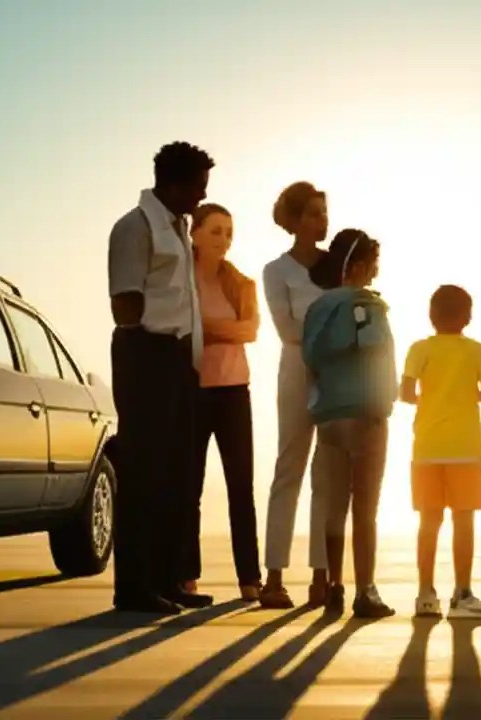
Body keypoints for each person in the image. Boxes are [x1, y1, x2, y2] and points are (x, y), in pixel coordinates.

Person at [106, 141, 216, 614]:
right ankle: (134, 587)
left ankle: (168, 580)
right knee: (143, 472)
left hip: (177, 359)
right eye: (198, 187)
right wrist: (151, 347)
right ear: (173, 184)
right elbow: (125, 301)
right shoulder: (135, 227)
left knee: (176, 474)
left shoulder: (178, 228)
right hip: (145, 351)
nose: (202, 196)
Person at [302, 229, 396, 618]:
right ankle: (365, 591)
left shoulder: (317, 308)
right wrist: (385, 401)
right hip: (364, 413)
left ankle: (334, 585)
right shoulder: (366, 306)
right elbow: (375, 358)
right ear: (356, 266)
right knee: (366, 509)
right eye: (373, 263)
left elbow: (311, 358)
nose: (376, 271)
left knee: (334, 507)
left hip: (329, 416)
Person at [400, 285, 481, 619]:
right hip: (466, 449)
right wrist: (466, 393)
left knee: (429, 521)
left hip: (427, 448)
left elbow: (406, 393)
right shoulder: (478, 351)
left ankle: (425, 594)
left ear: (432, 315)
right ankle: (462, 594)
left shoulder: (419, 349)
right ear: (467, 317)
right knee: (463, 521)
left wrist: (432, 399)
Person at [182, 203, 264, 602]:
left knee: (240, 487)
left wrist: (207, 329)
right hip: (193, 391)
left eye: (229, 232)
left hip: (234, 391)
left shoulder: (241, 283)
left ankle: (250, 579)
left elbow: (250, 331)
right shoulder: (179, 281)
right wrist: (225, 329)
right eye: (215, 231)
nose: (224, 239)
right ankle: (186, 576)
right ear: (194, 233)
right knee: (189, 487)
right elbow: (183, 327)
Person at [259, 181, 335, 609]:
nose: (322, 220)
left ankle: (322, 576)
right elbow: (286, 328)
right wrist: (328, 336)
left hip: (335, 376)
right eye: (314, 213)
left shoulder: (336, 266)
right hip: (296, 373)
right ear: (295, 219)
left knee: (327, 473)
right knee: (289, 467)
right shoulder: (276, 270)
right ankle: (274, 576)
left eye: (325, 212)